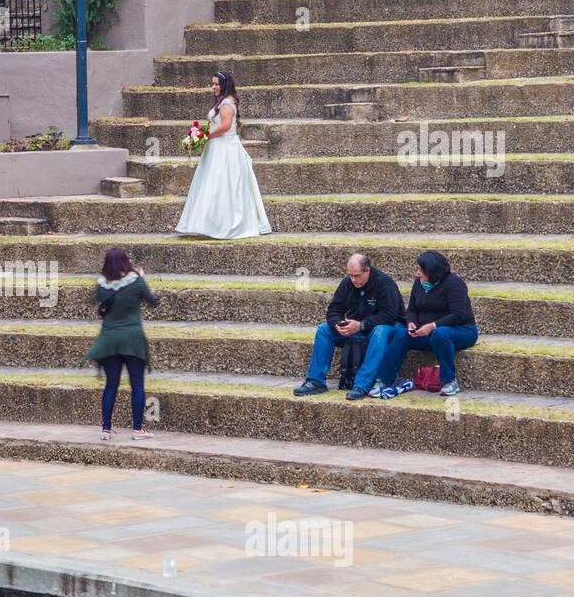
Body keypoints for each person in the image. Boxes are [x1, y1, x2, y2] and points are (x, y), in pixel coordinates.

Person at [175, 71, 272, 240]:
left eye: (216, 84)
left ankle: (225, 225)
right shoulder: (222, 102)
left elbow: (226, 126)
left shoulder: (227, 103)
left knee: (224, 185)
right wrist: (201, 135)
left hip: (225, 149)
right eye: (212, 83)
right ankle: (210, 223)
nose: (213, 87)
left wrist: (205, 136)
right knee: (212, 185)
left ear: (224, 85)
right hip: (217, 147)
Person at [293, 253, 404, 401]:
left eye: (357, 275)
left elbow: (390, 315)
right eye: (350, 275)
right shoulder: (347, 283)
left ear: (367, 270)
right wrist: (338, 324)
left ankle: (362, 384)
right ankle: (315, 380)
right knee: (324, 330)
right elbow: (334, 310)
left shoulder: (385, 283)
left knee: (380, 332)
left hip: (384, 328)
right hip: (356, 327)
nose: (353, 279)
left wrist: (362, 325)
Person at [374, 250, 479, 399]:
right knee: (402, 333)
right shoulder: (420, 283)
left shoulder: (455, 284)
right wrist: (411, 323)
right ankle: (385, 379)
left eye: (421, 270)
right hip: (427, 332)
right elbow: (411, 310)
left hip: (461, 331)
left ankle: (449, 380)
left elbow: (458, 315)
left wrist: (433, 325)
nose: (418, 273)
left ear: (432, 271)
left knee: (440, 334)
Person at [83, 247, 158, 440]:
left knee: (111, 385)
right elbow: (152, 301)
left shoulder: (101, 286)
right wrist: (140, 276)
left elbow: (99, 302)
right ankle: (137, 429)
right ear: (126, 262)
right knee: (137, 385)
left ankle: (106, 429)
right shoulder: (136, 282)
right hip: (133, 339)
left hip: (109, 341)